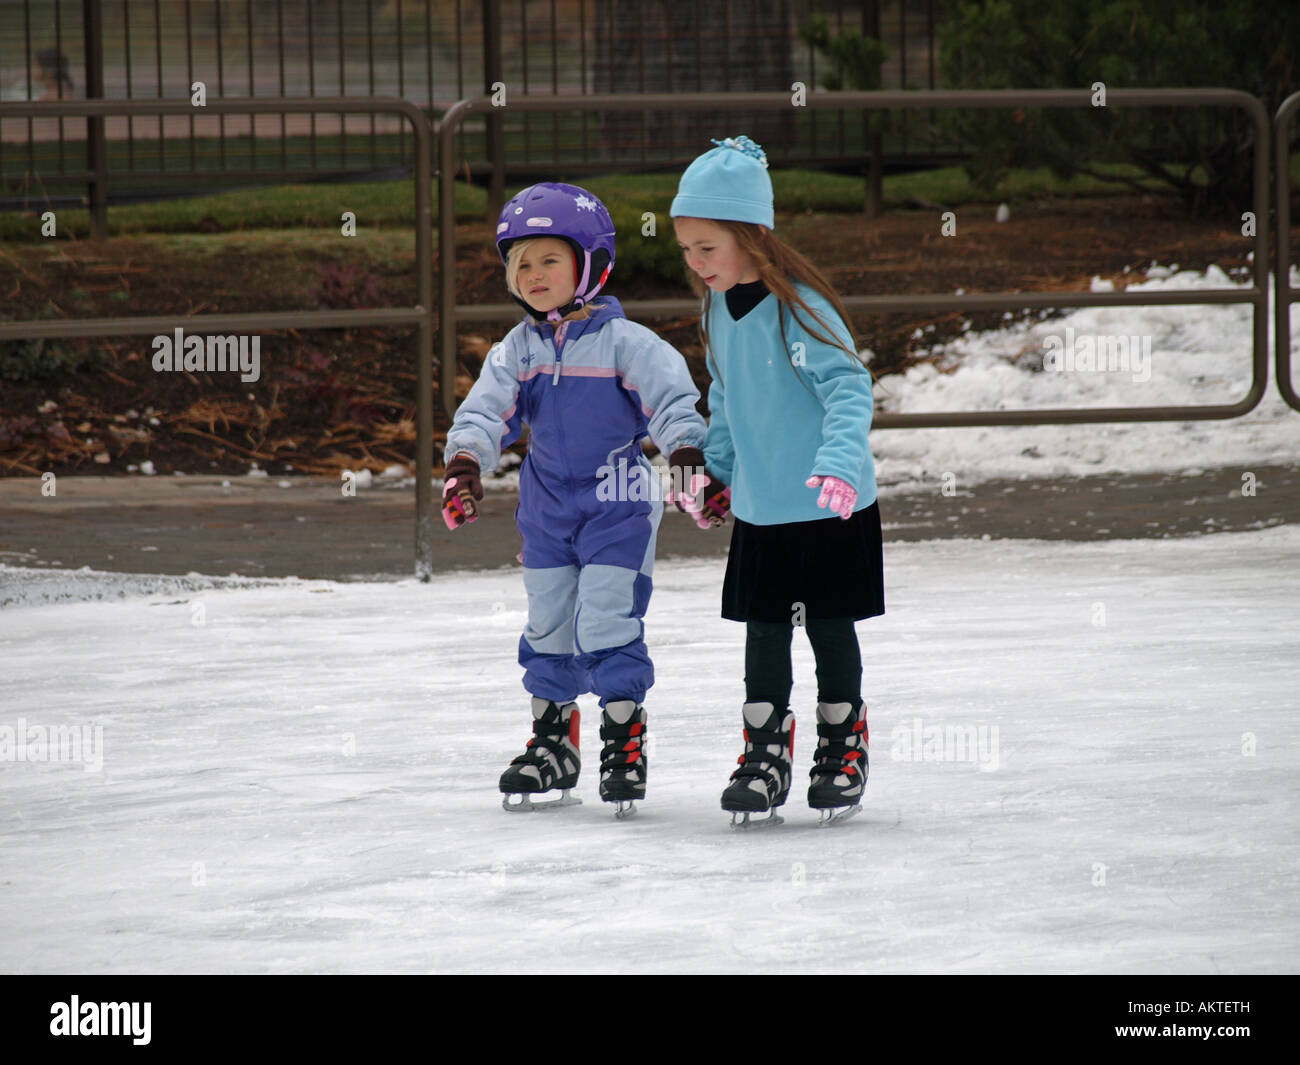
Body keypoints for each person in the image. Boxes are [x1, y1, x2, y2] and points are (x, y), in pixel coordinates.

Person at [442, 182, 709, 818]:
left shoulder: (627, 344)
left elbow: (672, 402)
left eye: (549, 260)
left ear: (589, 264)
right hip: (547, 508)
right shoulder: (518, 350)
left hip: (617, 503)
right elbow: (486, 410)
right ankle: (553, 744)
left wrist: (687, 455)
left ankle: (623, 740)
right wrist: (465, 462)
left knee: (607, 621)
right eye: (521, 264)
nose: (533, 276)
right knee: (548, 624)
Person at [670, 135, 884, 827]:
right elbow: (726, 399)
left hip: (829, 504)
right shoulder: (716, 309)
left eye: (708, 247)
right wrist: (720, 475)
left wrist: (839, 464)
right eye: (687, 249)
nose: (696, 263)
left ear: (752, 236)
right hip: (764, 510)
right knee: (763, 632)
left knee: (828, 626)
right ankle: (764, 753)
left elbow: (851, 390)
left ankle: (842, 745)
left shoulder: (801, 308)